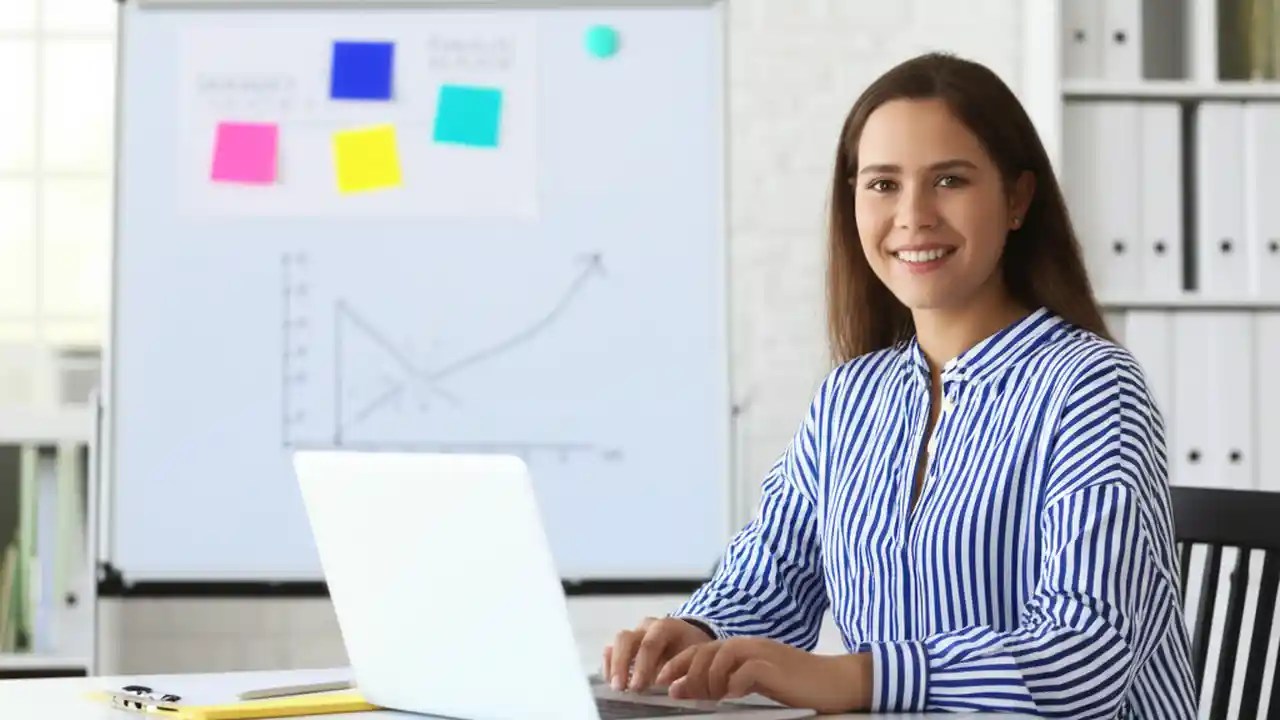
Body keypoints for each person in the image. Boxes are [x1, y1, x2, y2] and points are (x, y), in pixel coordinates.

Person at [603, 52, 1196, 718]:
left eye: (949, 181)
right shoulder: (851, 397)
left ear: (1017, 199)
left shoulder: (1091, 388)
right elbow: (773, 578)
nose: (912, 215)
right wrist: (697, 635)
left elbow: (1082, 661)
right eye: (883, 184)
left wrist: (858, 679)